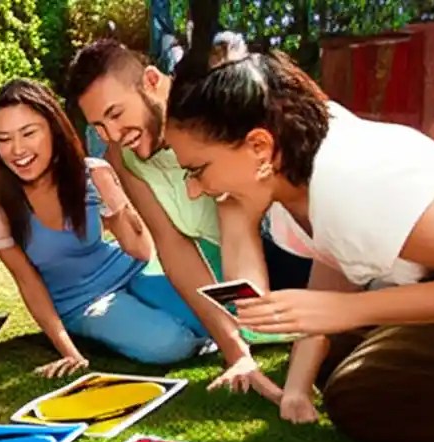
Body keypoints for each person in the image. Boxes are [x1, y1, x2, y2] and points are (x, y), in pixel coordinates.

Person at [163, 48, 434, 442]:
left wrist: (350, 310)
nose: (194, 191)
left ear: (260, 146)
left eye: (198, 170)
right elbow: (335, 262)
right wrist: (297, 386)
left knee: (362, 392)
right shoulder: (289, 176)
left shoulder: (349, 180)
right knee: (339, 362)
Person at [66, 36, 313, 402]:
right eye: (98, 126)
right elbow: (174, 248)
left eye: (116, 114)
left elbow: (241, 217)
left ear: (151, 80)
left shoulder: (215, 106)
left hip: (300, 246)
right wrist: (235, 351)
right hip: (241, 262)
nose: (112, 135)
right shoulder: (125, 157)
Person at [0, 78, 210, 374]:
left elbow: (140, 250)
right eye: (4, 139)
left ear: (53, 130)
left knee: (211, 314)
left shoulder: (90, 174)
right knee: (172, 344)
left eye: (28, 133)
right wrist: (69, 352)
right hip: (81, 303)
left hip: (129, 272)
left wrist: (116, 202)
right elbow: (27, 281)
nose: (17, 149)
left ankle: (195, 332)